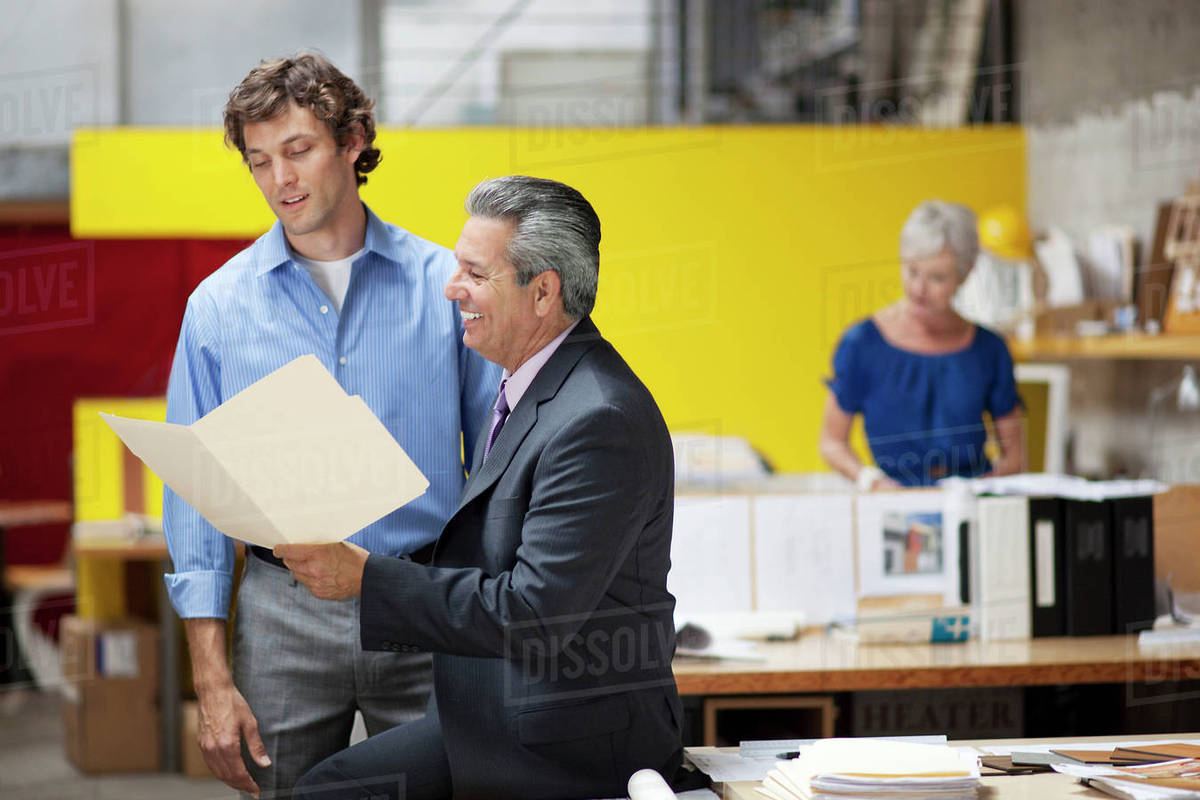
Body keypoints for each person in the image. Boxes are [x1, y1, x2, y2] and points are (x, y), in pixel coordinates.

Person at [277, 176, 684, 800]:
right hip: (499, 712)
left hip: (566, 742)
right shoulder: (535, 387)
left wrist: (366, 576)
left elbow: (535, 612)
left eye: (474, 272)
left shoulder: (600, 419)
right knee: (327, 786)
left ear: (543, 290)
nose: (451, 288)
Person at [162, 54, 499, 798]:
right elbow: (195, 508)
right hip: (282, 613)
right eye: (259, 161)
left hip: (421, 595)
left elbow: (501, 465)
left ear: (352, 141)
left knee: (452, 788)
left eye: (298, 150)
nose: (279, 179)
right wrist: (213, 684)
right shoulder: (216, 309)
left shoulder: (447, 288)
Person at [819, 200, 1024, 489]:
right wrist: (873, 482)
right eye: (912, 271)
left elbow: (1015, 458)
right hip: (891, 502)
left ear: (964, 275)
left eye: (937, 278)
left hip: (967, 503)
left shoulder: (989, 350)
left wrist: (979, 492)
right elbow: (831, 443)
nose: (919, 289)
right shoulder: (862, 344)